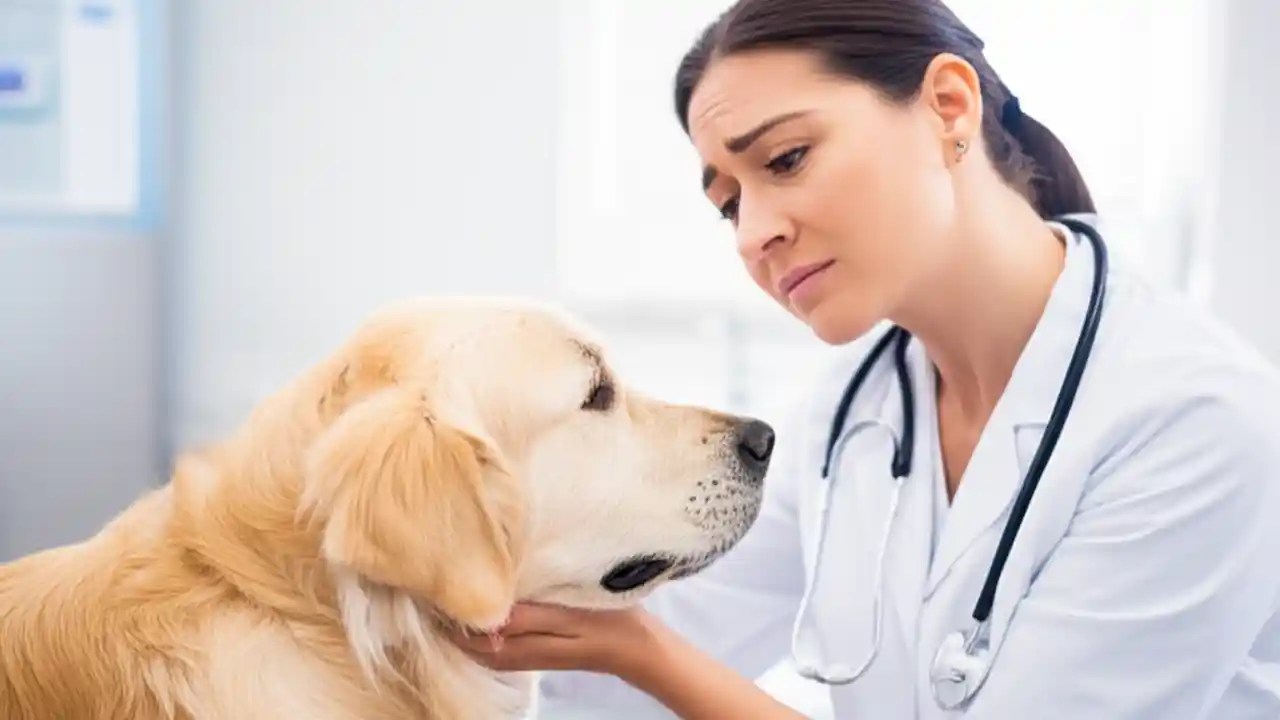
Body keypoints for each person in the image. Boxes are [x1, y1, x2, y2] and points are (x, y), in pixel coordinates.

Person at [453, 0, 1280, 717]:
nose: (753, 234)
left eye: (786, 160)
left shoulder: (1195, 419)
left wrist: (643, 656)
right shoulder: (857, 408)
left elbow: (651, 652)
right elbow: (673, 632)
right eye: (729, 203)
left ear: (948, 108)